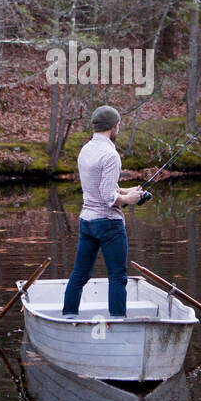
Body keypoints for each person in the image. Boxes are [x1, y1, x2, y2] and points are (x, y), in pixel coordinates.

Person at [61, 105, 150, 318]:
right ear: (113, 126)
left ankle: (68, 315)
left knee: (80, 274)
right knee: (117, 277)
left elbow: (102, 186)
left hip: (87, 222)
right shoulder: (111, 155)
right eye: (118, 124)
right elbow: (110, 198)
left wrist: (128, 190)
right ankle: (118, 321)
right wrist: (129, 199)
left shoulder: (86, 150)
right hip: (109, 224)